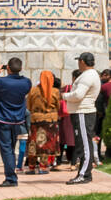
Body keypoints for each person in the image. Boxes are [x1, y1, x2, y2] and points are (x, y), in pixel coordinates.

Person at [0, 58, 33, 187]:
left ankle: (11, 178)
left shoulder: (2, 82)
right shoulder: (26, 82)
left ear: (8, 68)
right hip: (17, 119)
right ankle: (11, 176)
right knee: (10, 148)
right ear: (20, 68)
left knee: (6, 149)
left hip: (3, 118)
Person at [66, 52, 100, 185]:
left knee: (84, 144)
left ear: (83, 62)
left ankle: (84, 174)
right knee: (83, 143)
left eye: (79, 61)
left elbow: (78, 95)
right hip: (82, 112)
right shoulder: (90, 75)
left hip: (83, 112)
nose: (78, 64)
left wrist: (64, 96)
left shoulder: (88, 76)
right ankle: (85, 173)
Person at [24, 71, 60, 175]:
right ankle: (43, 167)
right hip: (51, 121)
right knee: (46, 145)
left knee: (33, 144)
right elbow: (58, 106)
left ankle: (31, 168)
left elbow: (29, 106)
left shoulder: (33, 90)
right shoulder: (55, 91)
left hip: (36, 120)